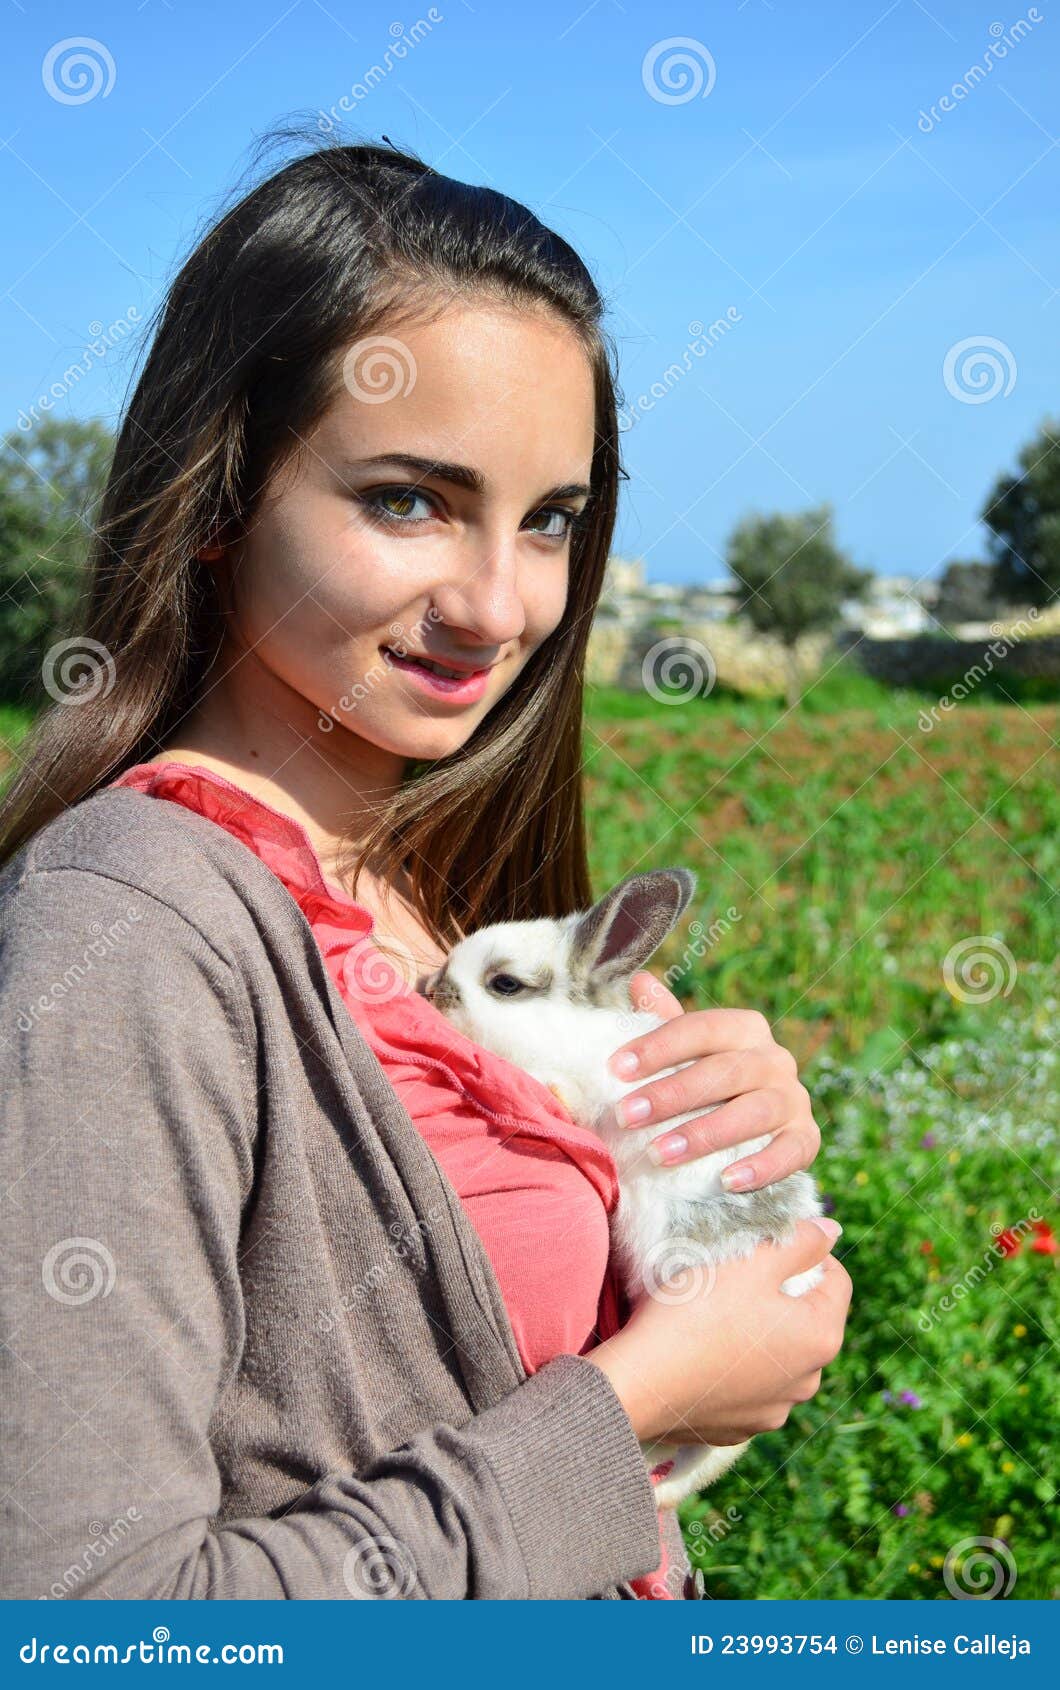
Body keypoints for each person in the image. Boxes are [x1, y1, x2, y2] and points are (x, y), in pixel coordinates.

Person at [0, 134, 851, 1601]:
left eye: (553, 521)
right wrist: (637, 1400)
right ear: (217, 502)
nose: (501, 601)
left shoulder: (432, 893)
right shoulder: (132, 925)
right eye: (409, 499)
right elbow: (94, 1617)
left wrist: (701, 1157)